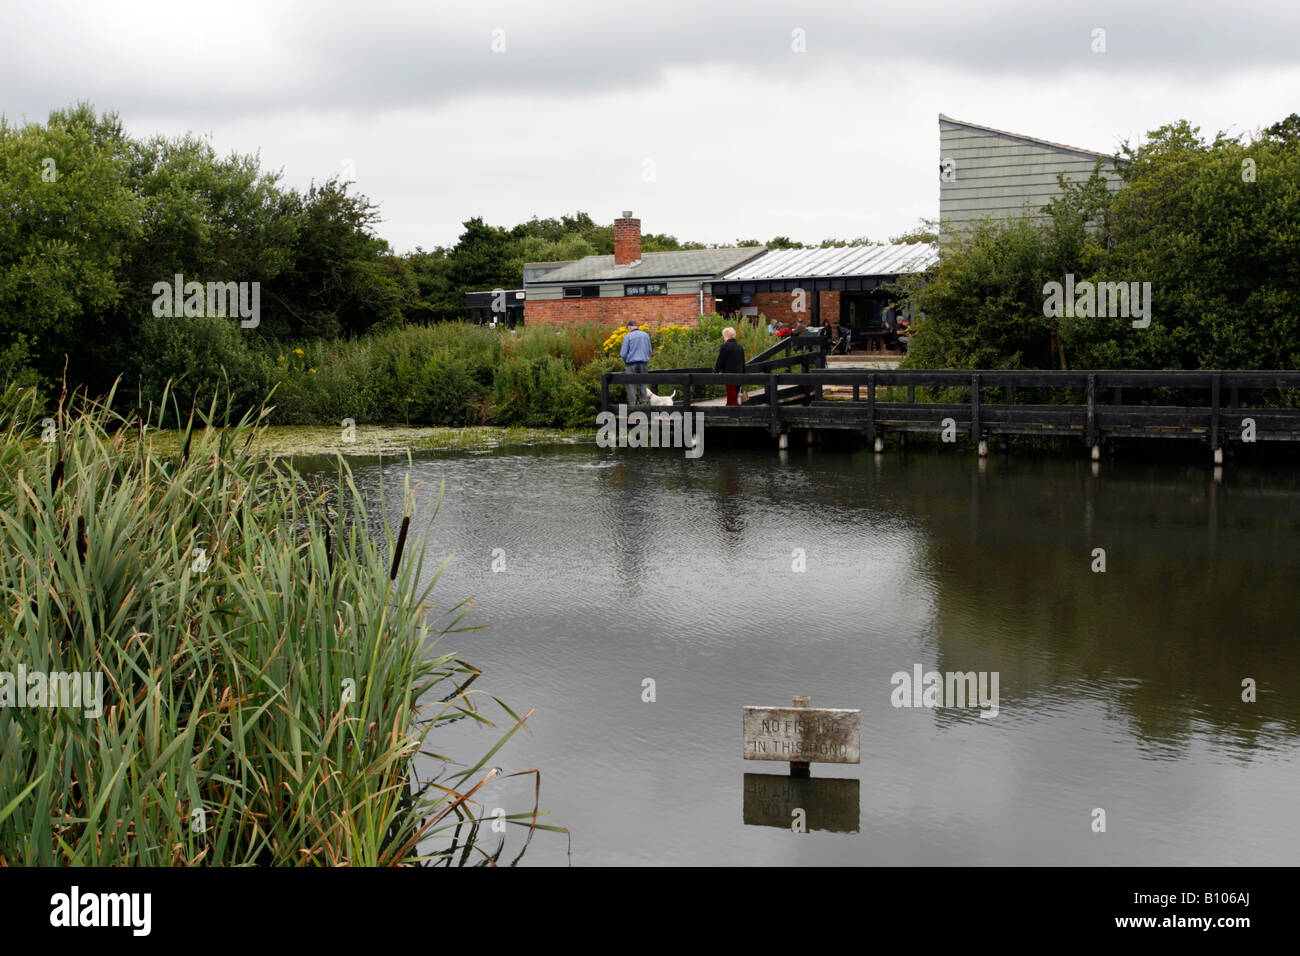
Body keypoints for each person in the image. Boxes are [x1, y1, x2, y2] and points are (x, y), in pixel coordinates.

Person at [619, 320, 653, 406]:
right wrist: (646, 359)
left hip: (631, 364)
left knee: (631, 385)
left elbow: (623, 353)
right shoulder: (646, 335)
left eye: (628, 329)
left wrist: (626, 361)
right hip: (644, 363)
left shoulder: (627, 336)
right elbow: (650, 351)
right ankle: (644, 404)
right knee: (643, 384)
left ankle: (632, 405)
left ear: (630, 327)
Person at [714, 326, 746, 407]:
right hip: (739, 374)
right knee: (736, 393)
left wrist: (715, 372)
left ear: (725, 336)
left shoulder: (725, 347)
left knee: (731, 394)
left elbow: (720, 361)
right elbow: (743, 362)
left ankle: (731, 410)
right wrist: (744, 374)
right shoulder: (739, 346)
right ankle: (733, 408)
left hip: (729, 374)